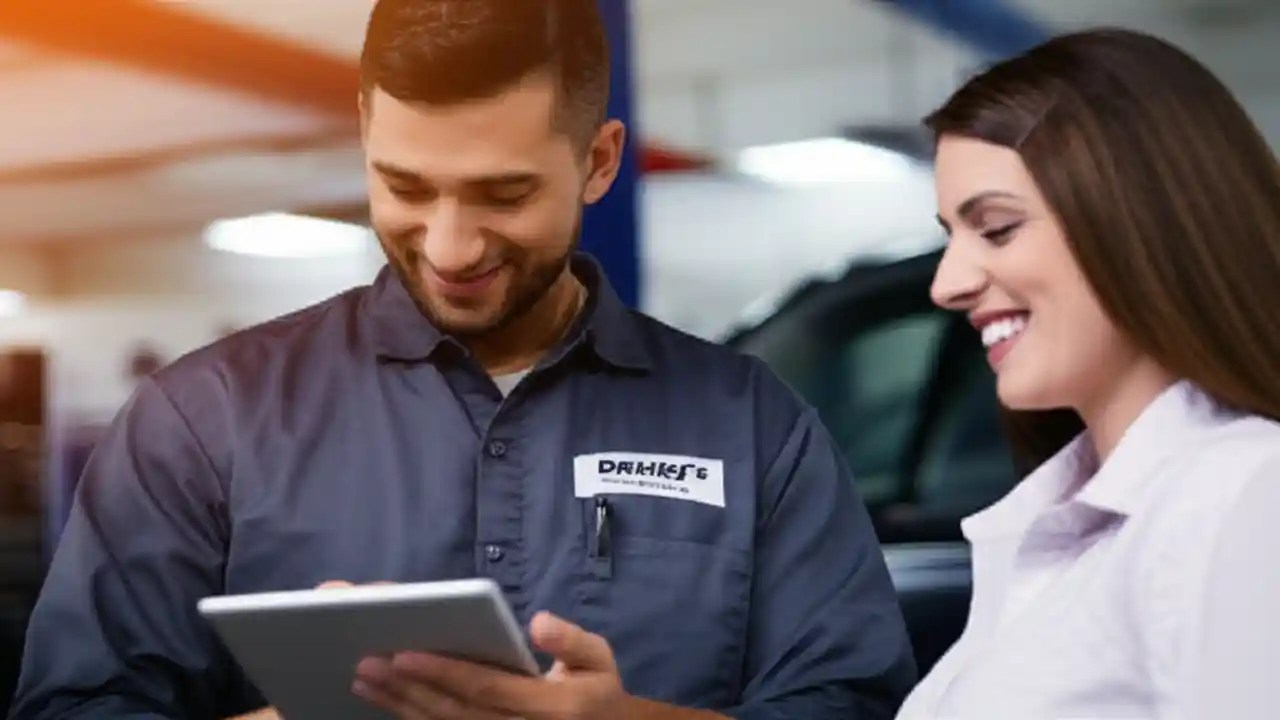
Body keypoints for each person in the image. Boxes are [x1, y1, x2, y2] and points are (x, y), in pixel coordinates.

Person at [11, 1, 917, 718]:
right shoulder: (199, 422)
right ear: (366, 132)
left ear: (598, 164)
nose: (449, 246)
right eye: (405, 187)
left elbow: (854, 702)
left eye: (503, 193)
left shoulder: (751, 426)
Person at [896, 28, 1280, 720]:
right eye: (949, 235)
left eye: (998, 228)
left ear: (1141, 219)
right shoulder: (1056, 531)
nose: (947, 283)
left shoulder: (1240, 492)